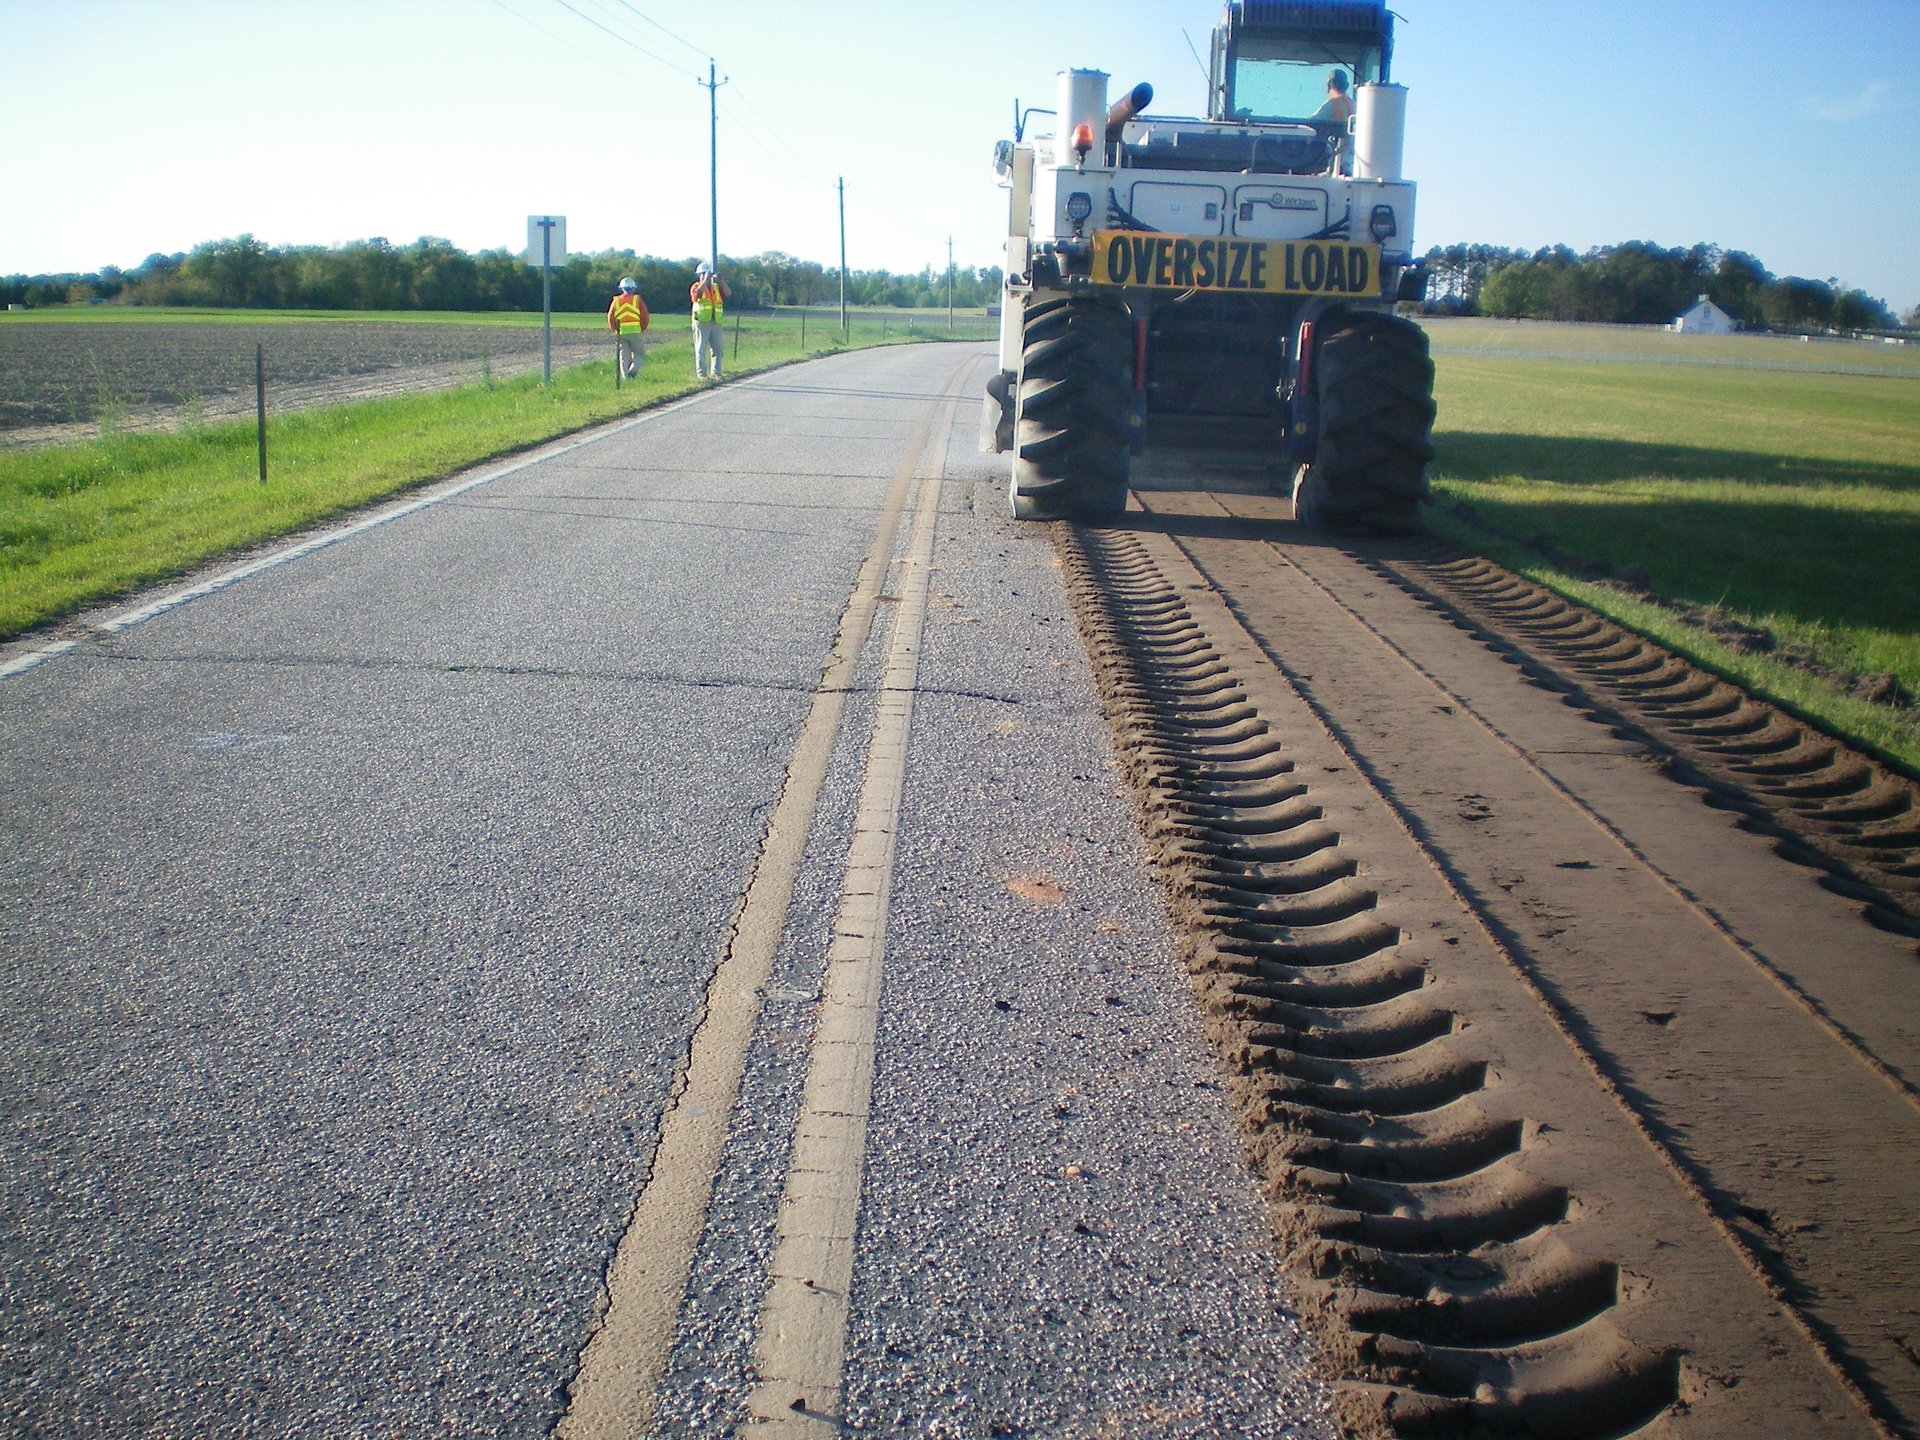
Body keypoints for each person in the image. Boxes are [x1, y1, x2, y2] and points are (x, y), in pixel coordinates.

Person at [690, 262, 731, 380]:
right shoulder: (696, 286)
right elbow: (696, 295)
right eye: (703, 274)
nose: (706, 276)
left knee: (718, 348)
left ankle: (716, 373)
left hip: (715, 321)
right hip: (701, 321)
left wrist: (722, 281)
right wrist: (705, 280)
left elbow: (728, 293)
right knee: (701, 348)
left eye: (707, 274)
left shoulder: (715, 288)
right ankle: (702, 375)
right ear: (700, 275)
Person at [1313, 70, 1354, 174]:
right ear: (1347, 85)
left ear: (1329, 85)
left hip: (1335, 160)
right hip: (1353, 162)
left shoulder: (1332, 104)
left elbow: (1311, 124)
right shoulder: (1356, 105)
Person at [607, 277, 650, 379]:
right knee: (639, 354)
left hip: (621, 332)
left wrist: (615, 329)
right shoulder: (637, 300)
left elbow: (610, 317)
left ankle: (626, 378)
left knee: (624, 356)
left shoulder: (616, 301)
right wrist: (641, 328)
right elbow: (645, 316)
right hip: (635, 331)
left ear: (622, 288)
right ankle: (633, 371)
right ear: (633, 288)